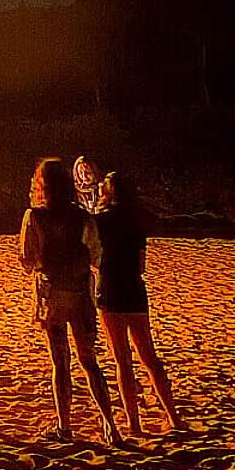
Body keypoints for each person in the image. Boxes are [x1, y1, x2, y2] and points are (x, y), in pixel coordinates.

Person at [19, 157, 121, 445]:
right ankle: (110, 426)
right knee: (90, 361)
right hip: (80, 293)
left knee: (60, 362)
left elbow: (27, 258)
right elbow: (96, 254)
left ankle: (65, 425)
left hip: (51, 296)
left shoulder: (35, 216)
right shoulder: (81, 216)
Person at [95, 172, 186, 434]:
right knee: (150, 357)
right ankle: (173, 416)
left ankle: (134, 423)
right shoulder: (135, 222)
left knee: (122, 359)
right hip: (134, 288)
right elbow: (141, 263)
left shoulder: (100, 220)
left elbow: (93, 255)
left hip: (109, 288)